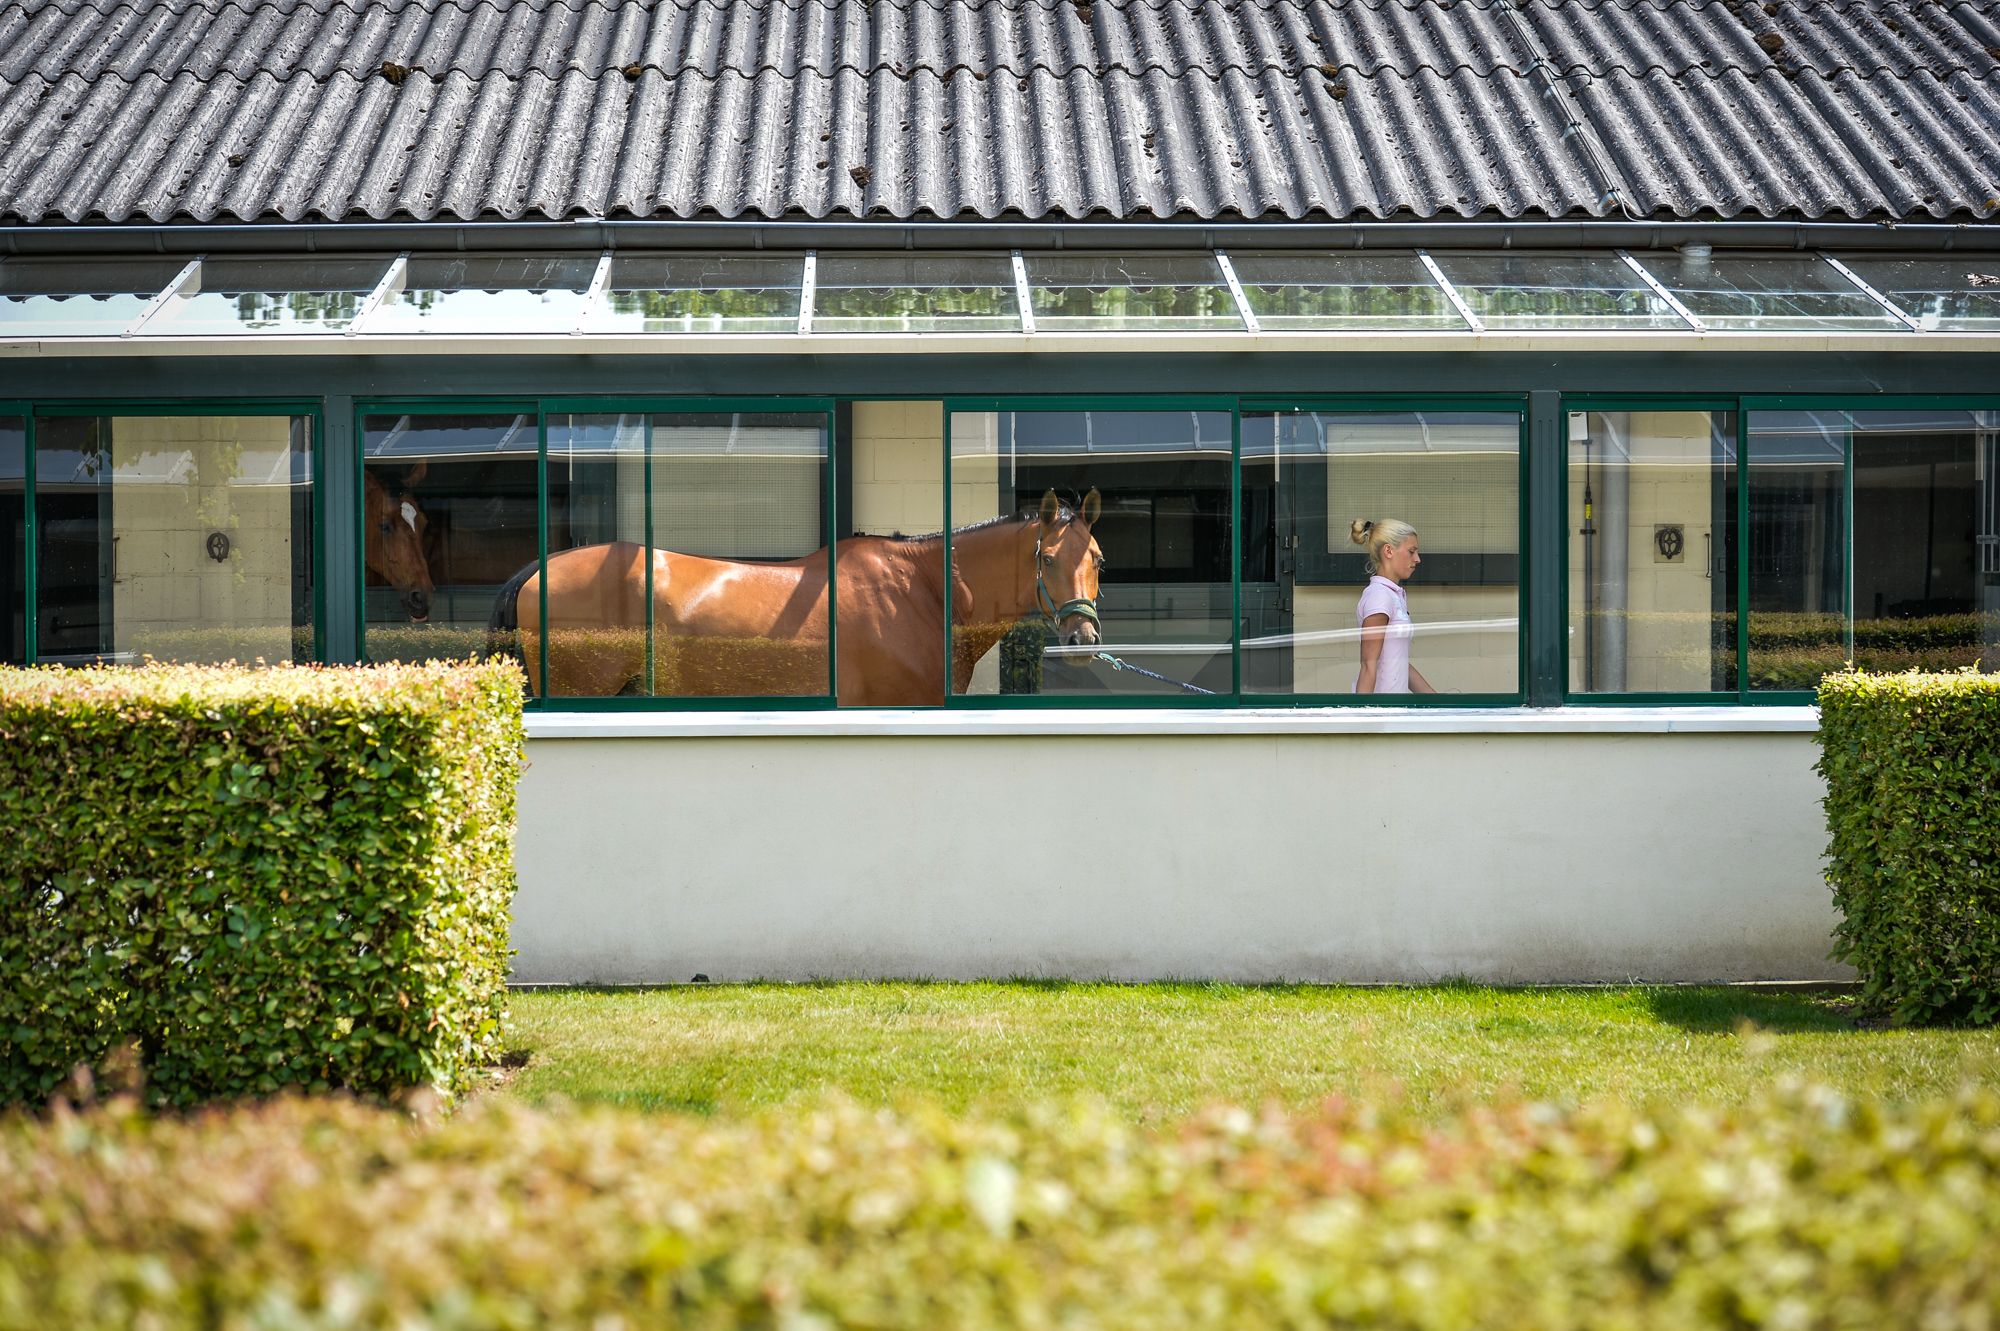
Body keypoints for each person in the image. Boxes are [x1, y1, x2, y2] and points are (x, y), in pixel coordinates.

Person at [1351, 518, 1436, 695]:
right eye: (1411, 552)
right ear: (1388, 551)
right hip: (1382, 713)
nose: (1417, 559)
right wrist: (1362, 715)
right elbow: (1368, 665)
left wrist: (1437, 701)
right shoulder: (1380, 597)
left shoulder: (1393, 594)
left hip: (1394, 711)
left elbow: (1397, 661)